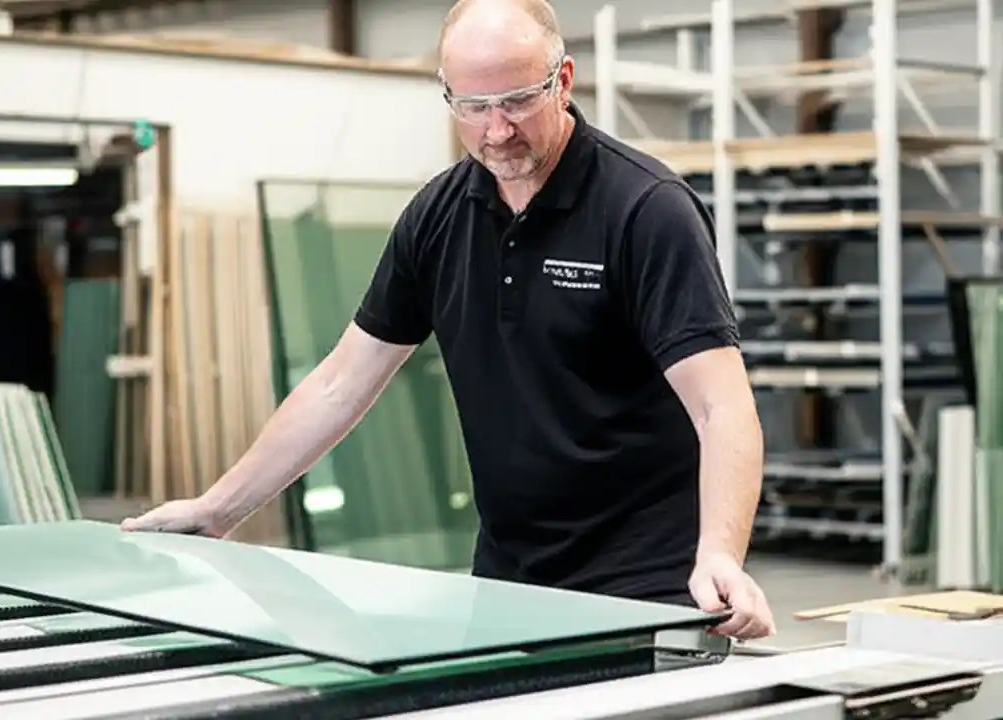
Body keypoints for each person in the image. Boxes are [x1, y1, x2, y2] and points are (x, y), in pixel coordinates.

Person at [122, 0, 774, 640]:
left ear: (563, 82)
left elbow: (723, 408)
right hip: (507, 581)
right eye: (474, 106)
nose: (497, 130)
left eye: (518, 100)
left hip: (647, 585)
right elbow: (340, 384)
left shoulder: (647, 211)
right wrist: (218, 509)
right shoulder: (437, 218)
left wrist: (719, 554)